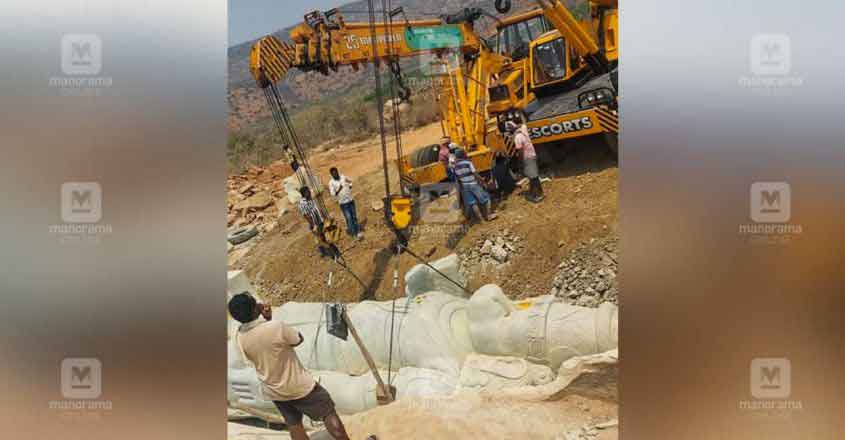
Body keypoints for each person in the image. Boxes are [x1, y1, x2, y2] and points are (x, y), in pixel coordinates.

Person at [228, 293, 352, 440]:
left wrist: (264, 320)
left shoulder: (239, 337)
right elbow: (298, 339)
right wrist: (269, 319)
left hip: (275, 391)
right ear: (255, 309)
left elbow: (259, 343)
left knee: (294, 424)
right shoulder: (276, 327)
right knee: (328, 413)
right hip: (299, 386)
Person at [453, 149, 497, 222]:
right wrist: (482, 181)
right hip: (473, 183)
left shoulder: (455, 167)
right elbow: (475, 174)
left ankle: (481, 220)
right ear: (463, 154)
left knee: (473, 203)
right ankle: (489, 215)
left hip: (465, 186)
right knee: (486, 198)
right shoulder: (468, 163)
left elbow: (458, 179)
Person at [508, 120, 544, 203]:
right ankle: (539, 193)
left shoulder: (517, 137)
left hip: (527, 158)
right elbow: (523, 124)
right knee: (533, 176)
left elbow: (520, 151)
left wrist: (520, 161)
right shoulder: (523, 129)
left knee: (533, 177)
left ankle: (537, 195)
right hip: (532, 154)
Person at [328, 167, 362, 240]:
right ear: (331, 175)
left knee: (354, 217)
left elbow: (350, 181)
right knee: (349, 218)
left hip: (350, 200)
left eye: (336, 172)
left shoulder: (343, 177)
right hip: (343, 203)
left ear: (337, 171)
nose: (335, 174)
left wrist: (350, 186)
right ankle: (353, 234)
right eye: (333, 173)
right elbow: (333, 194)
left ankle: (358, 231)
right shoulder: (331, 183)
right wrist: (339, 189)